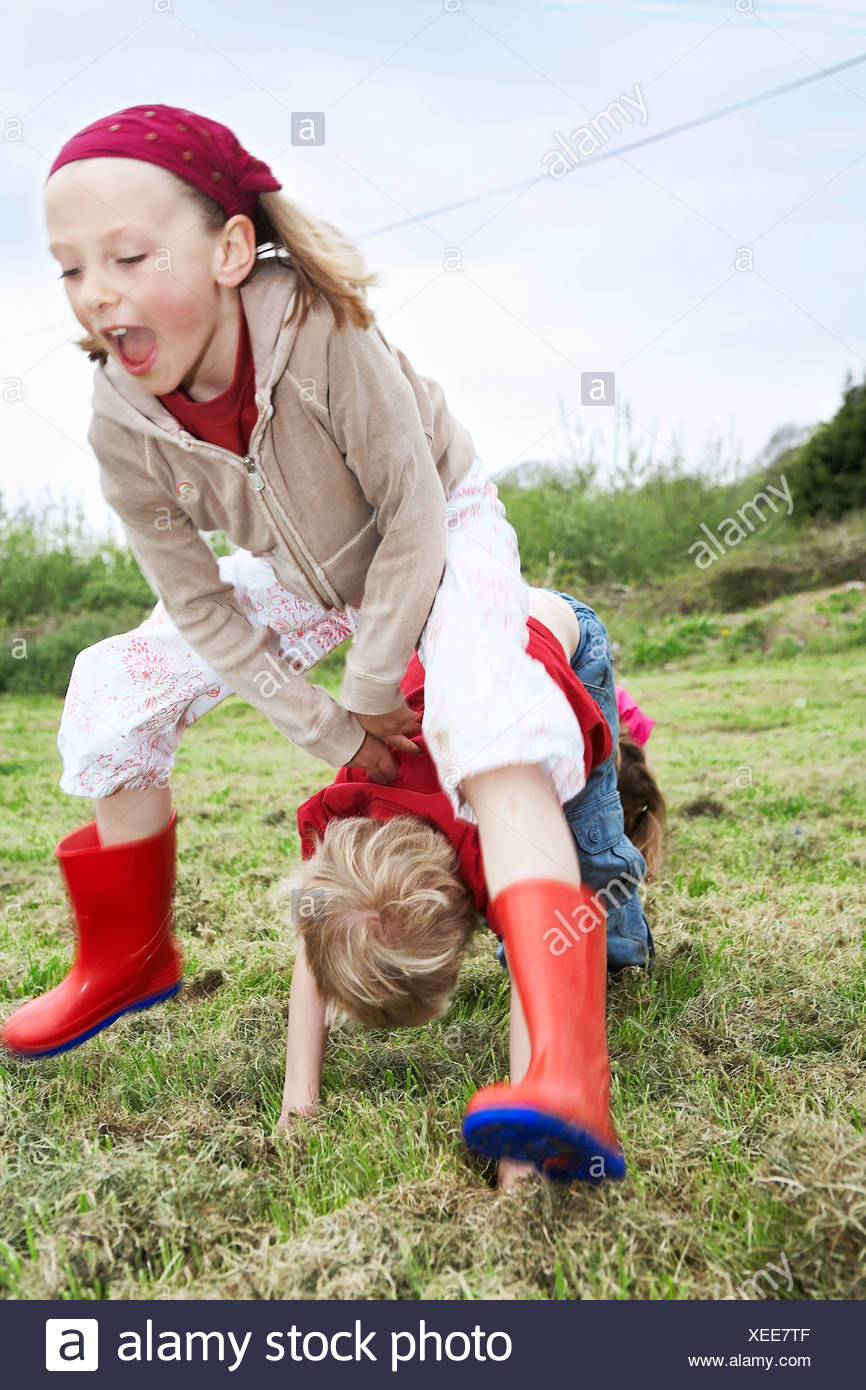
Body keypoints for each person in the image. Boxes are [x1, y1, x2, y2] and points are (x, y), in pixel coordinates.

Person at [2, 103, 611, 1178]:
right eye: (68, 268)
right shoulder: (118, 415)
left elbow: (415, 514)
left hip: (435, 526)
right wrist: (328, 724)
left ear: (233, 250)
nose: (95, 291)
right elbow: (196, 604)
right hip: (304, 572)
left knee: (493, 730)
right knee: (113, 684)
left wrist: (375, 685)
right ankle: (128, 953)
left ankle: (563, 1069)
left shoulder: (328, 334)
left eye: (129, 256)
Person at [280, 586, 665, 1188]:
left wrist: (522, 1154)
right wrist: (298, 1103)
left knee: (584, 873)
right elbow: (315, 950)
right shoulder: (341, 841)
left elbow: (530, 972)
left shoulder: (494, 849)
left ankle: (622, 947)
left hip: (556, 638)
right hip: (469, 650)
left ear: (465, 915)